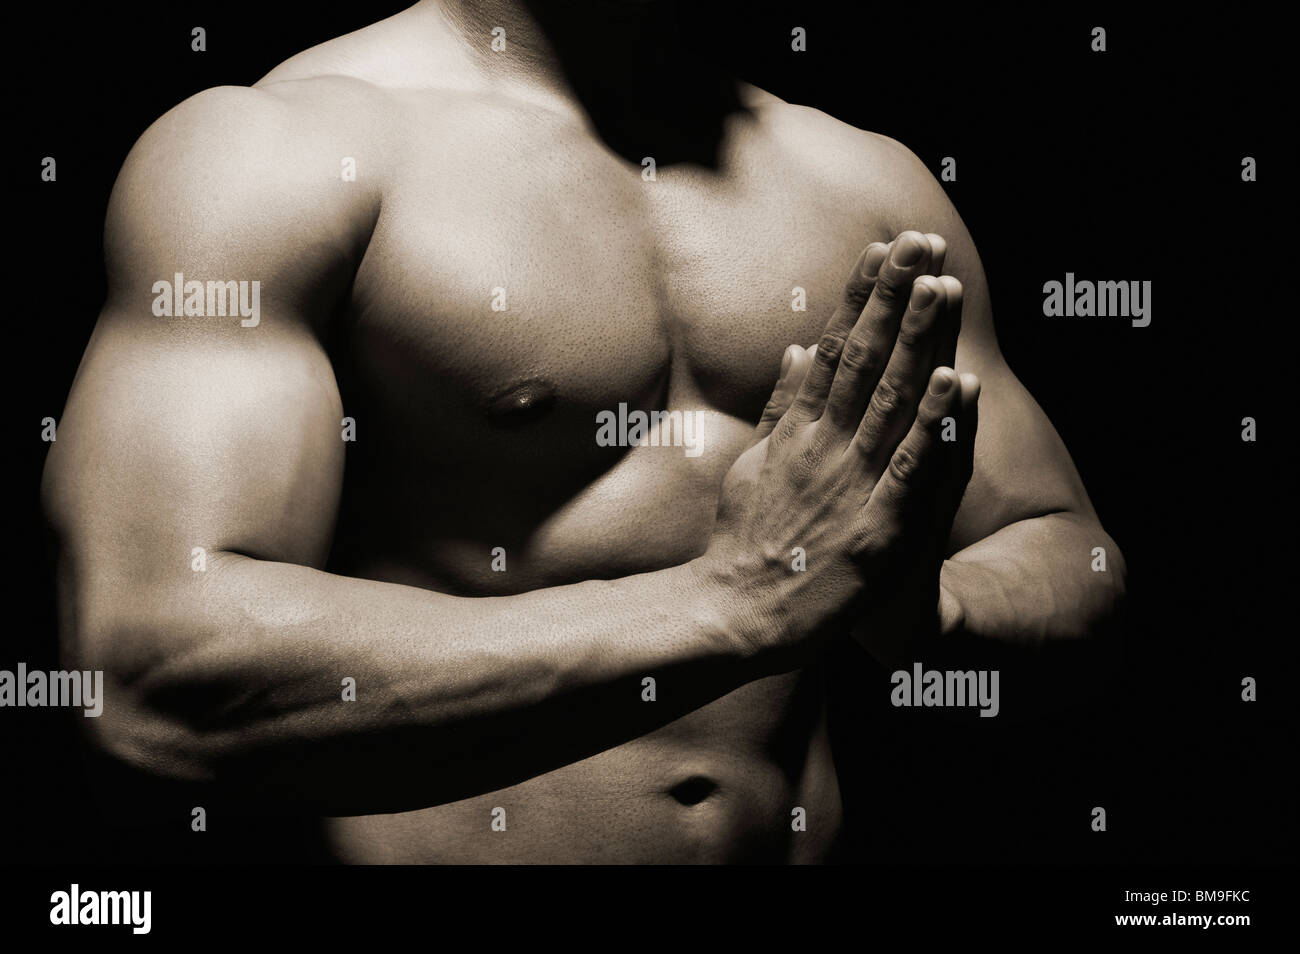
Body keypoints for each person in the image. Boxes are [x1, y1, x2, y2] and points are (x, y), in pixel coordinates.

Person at [41, 0, 1125, 863]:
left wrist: (925, 610)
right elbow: (152, 667)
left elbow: (1067, 551)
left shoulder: (864, 180)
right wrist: (739, 603)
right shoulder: (284, 151)